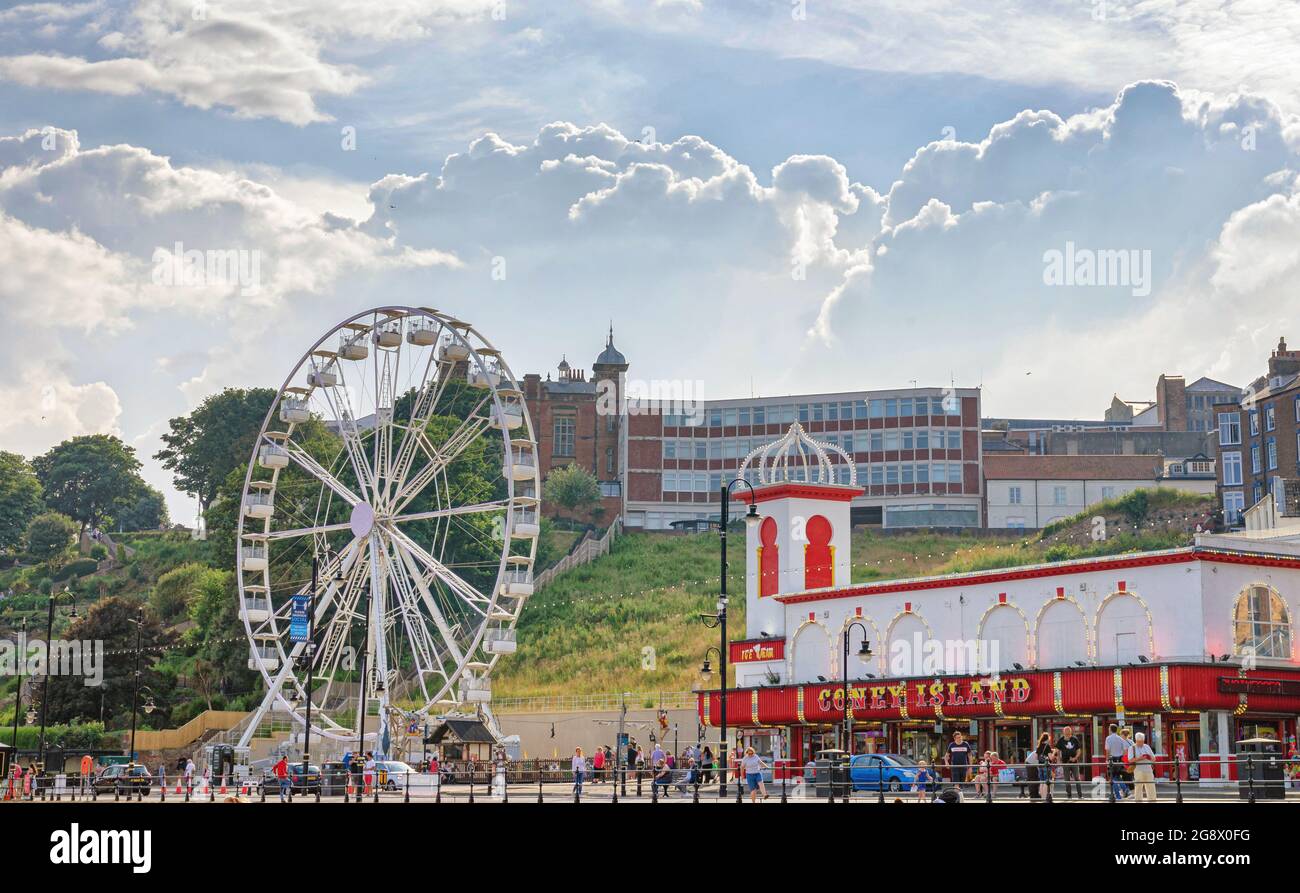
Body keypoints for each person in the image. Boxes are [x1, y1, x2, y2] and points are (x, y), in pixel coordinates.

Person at [1055, 725, 1084, 799]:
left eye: (1068, 731)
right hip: (1065, 762)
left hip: (1074, 762)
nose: (1067, 733)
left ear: (1070, 732)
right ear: (1063, 732)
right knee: (1067, 779)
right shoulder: (1061, 740)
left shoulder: (1074, 739)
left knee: (1077, 778)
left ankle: (1080, 795)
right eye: (1066, 732)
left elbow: (1079, 750)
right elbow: (1057, 750)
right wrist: (1058, 760)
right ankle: (1069, 795)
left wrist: (1075, 758)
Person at [1104, 724, 1130, 800]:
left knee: (1112, 778)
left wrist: (1107, 760)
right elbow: (1125, 751)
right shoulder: (1120, 739)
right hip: (1119, 759)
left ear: (1110, 729)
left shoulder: (1108, 738)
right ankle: (1125, 790)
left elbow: (1108, 751)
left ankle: (1118, 795)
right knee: (1117, 776)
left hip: (1112, 760)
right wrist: (1123, 759)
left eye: (1109, 728)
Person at [1131, 732, 1157, 802]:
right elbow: (1130, 760)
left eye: (1142, 741)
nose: (1141, 743)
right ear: (1136, 740)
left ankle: (1152, 800)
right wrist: (1140, 758)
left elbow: (1154, 759)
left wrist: (1149, 757)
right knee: (1138, 787)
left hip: (1148, 769)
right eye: (1139, 742)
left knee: (1151, 786)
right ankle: (1138, 800)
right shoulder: (1132, 748)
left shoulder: (1147, 746)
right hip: (1138, 769)